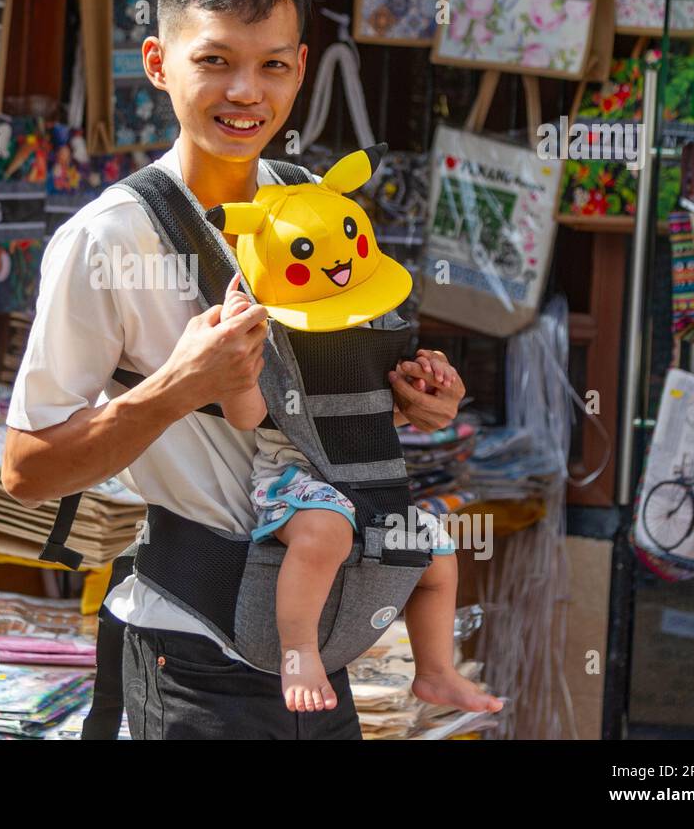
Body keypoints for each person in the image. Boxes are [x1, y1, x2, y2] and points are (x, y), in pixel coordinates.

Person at [2, 0, 466, 740]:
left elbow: (321, 399)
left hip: (321, 644)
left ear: (300, 68)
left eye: (273, 65)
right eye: (215, 61)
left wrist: (415, 401)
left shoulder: (316, 206)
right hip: (191, 645)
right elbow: (26, 470)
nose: (246, 91)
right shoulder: (108, 240)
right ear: (157, 63)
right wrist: (179, 386)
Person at [211, 160, 503, 715]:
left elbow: (380, 414)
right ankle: (298, 651)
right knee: (325, 531)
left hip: (366, 480)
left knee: (435, 547)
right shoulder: (267, 336)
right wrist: (237, 361)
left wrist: (421, 385)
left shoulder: (372, 327)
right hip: (295, 484)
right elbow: (247, 417)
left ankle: (436, 669)